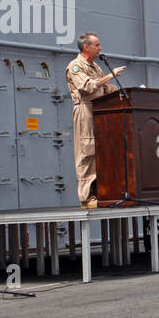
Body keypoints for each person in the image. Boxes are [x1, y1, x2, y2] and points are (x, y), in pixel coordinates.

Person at [65, 32, 124, 209]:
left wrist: (124, 91)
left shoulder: (96, 67)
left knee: (101, 152)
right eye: (97, 45)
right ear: (86, 47)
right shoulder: (76, 66)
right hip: (85, 110)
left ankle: (101, 192)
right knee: (87, 152)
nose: (100, 48)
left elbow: (105, 88)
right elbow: (87, 87)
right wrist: (110, 75)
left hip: (100, 111)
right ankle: (86, 198)